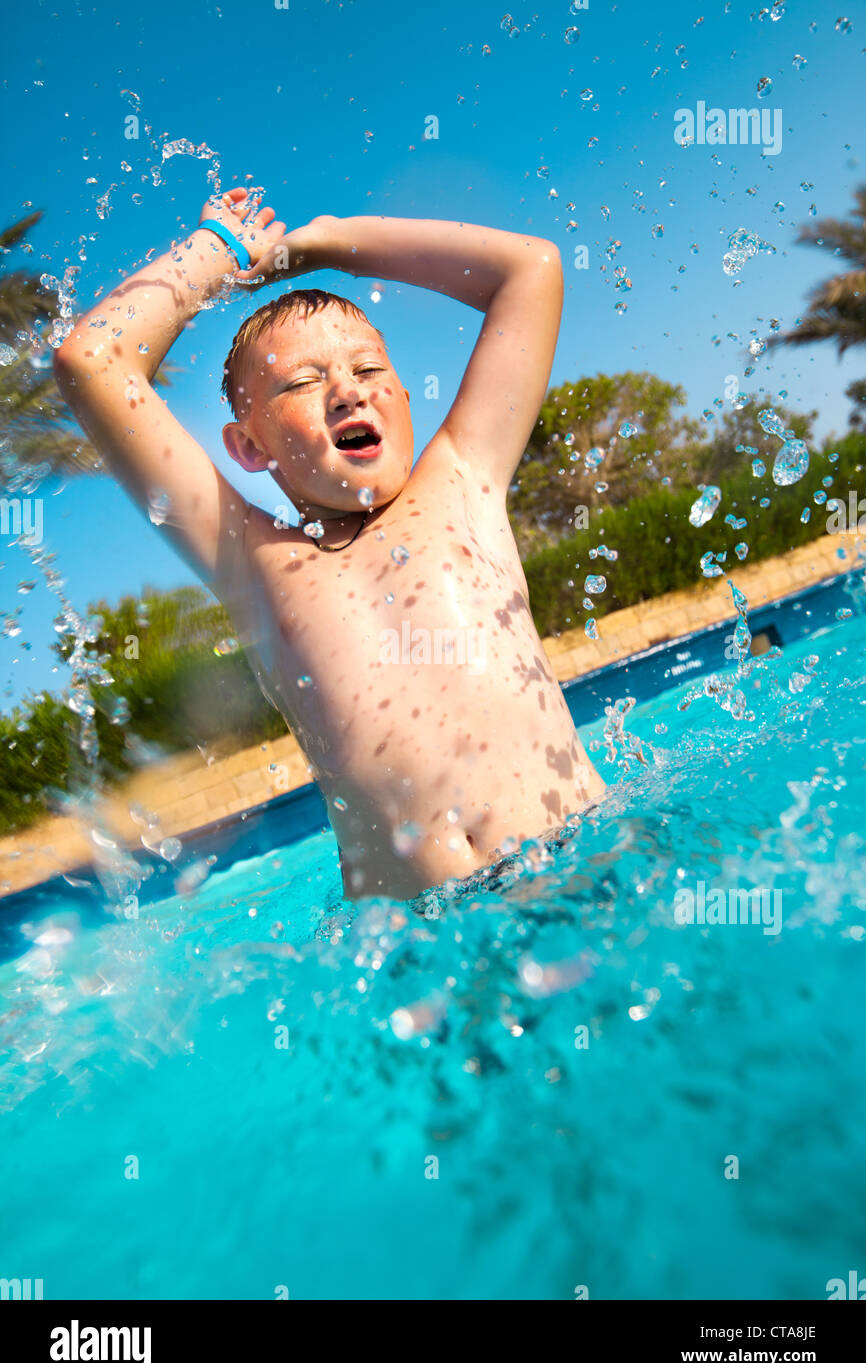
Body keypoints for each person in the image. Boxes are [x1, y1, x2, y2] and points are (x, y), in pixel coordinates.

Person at [54, 188, 606, 900]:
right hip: (421, 938)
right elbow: (90, 362)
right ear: (248, 446)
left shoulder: (464, 479)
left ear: (404, 397)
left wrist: (313, 246)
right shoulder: (251, 562)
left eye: (369, 371)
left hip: (581, 861)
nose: (347, 391)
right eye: (304, 382)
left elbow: (530, 268)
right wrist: (216, 247)